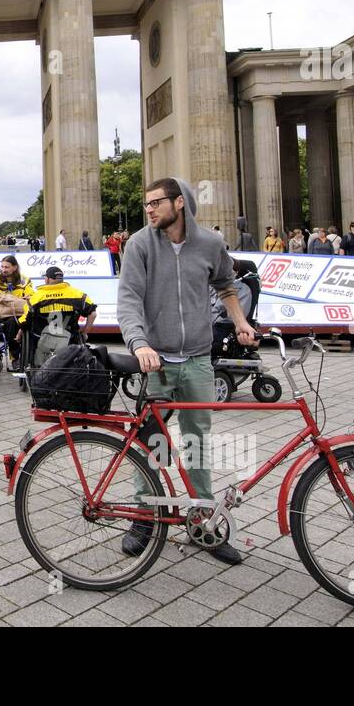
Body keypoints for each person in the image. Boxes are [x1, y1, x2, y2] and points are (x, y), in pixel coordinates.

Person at [117, 177, 255, 566]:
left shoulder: (210, 243)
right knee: (152, 445)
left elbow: (226, 285)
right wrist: (139, 343)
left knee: (197, 442)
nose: (149, 209)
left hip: (197, 358)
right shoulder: (140, 244)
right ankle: (145, 518)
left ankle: (203, 523)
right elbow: (128, 297)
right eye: (146, 204)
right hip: (156, 358)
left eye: (155, 203)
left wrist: (240, 321)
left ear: (180, 203)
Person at [18, 265, 98, 367]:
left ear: (46, 279)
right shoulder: (78, 294)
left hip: (41, 338)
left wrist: (20, 333)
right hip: (69, 339)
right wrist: (85, 332)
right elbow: (93, 314)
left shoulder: (36, 297)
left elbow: (25, 321)